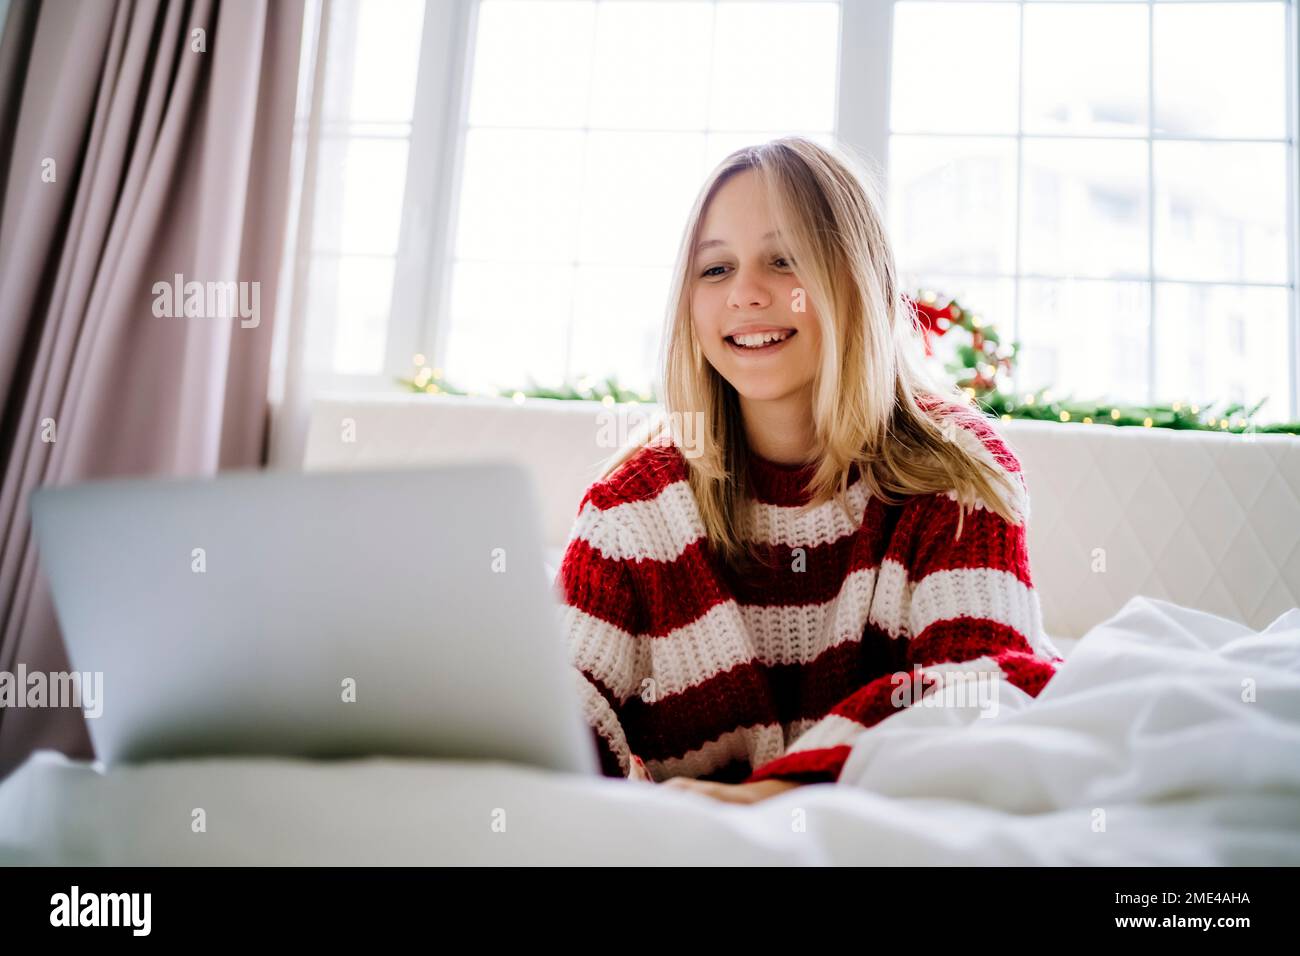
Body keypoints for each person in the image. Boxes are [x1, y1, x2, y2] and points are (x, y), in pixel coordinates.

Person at [554, 136, 1063, 805]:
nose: (745, 293)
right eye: (714, 270)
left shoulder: (956, 472)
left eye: (784, 260)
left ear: (857, 279)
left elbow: (986, 686)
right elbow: (562, 709)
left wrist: (779, 791)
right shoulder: (633, 508)